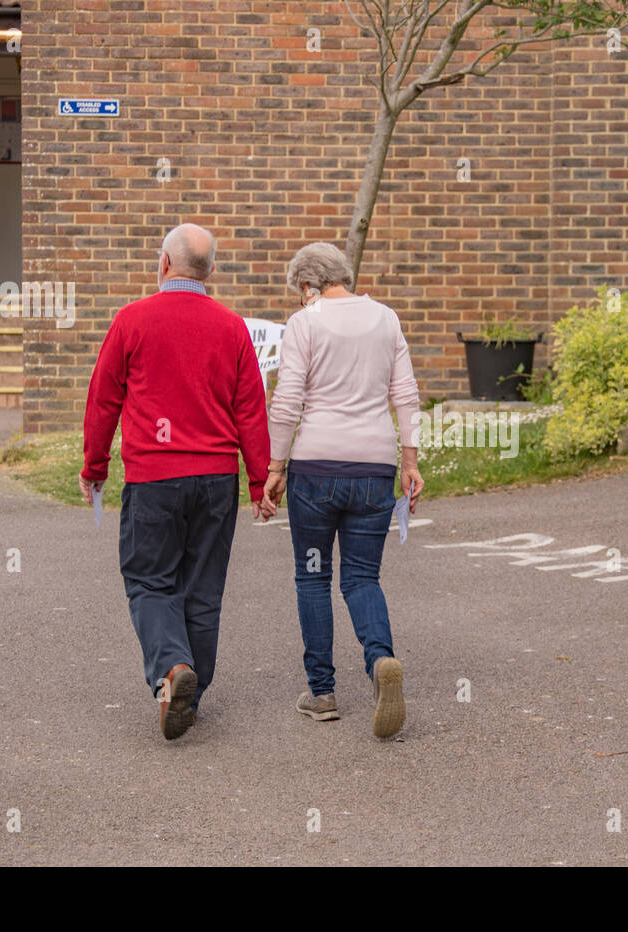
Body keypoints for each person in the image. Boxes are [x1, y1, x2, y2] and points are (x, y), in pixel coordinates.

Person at [80, 223, 271, 741]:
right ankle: (191, 690)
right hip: (214, 478)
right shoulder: (232, 328)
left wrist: (94, 468)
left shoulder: (132, 320)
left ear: (164, 264)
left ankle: (171, 671)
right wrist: (258, 483)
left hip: (155, 479)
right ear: (211, 273)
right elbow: (251, 410)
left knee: (150, 581)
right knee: (202, 589)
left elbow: (103, 400)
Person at [263, 242, 423, 739]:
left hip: (316, 470)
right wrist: (410, 460)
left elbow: (288, 398)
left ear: (308, 286)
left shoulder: (305, 323)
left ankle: (323, 692)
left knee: (313, 577)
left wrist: (275, 464)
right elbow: (406, 393)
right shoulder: (386, 319)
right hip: (374, 468)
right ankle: (380, 662)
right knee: (360, 577)